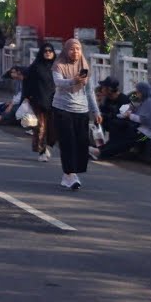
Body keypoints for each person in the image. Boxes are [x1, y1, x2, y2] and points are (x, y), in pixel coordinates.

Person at [52, 38, 101, 189]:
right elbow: (58, 82)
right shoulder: (59, 65)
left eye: (78, 49)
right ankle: (70, 174)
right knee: (68, 142)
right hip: (62, 109)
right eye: (72, 49)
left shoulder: (84, 66)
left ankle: (70, 174)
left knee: (81, 143)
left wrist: (96, 111)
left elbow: (89, 91)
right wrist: (73, 81)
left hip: (81, 110)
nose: (75, 52)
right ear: (66, 50)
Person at [92, 81, 151, 160]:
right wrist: (127, 109)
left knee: (132, 140)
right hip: (144, 129)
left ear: (143, 91)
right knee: (124, 136)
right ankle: (101, 150)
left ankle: (102, 153)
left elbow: (149, 121)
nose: (136, 94)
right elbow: (127, 107)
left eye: (138, 92)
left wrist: (130, 116)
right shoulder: (143, 98)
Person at [22, 43, 58, 162]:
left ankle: (47, 146)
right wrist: (26, 97)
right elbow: (27, 82)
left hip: (54, 101)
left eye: (50, 51)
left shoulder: (57, 66)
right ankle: (41, 151)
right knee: (40, 127)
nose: (48, 53)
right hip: (38, 100)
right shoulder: (35, 67)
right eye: (45, 51)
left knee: (53, 128)